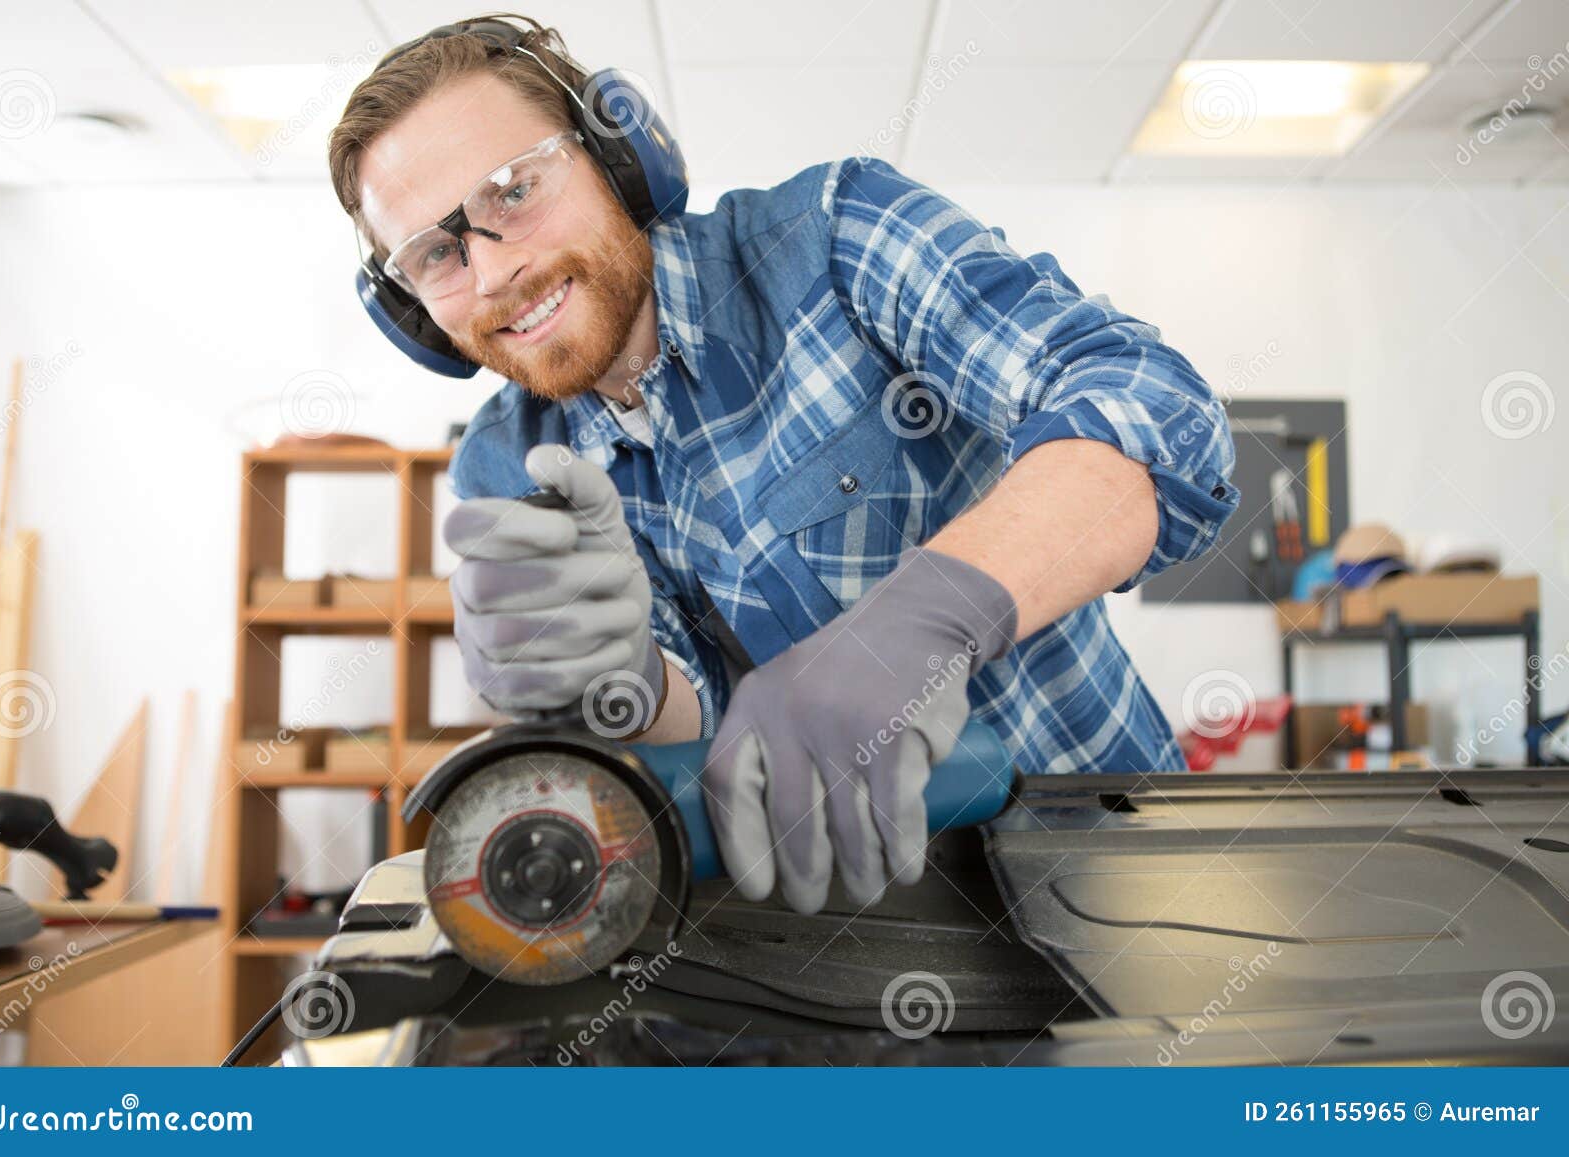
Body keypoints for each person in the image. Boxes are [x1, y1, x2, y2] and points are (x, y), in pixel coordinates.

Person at [328, 14, 1238, 916]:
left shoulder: (840, 238)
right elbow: (696, 728)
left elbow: (1151, 406)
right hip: (819, 939)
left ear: (616, 155)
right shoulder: (502, 467)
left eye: (513, 191)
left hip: (1114, 873)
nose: (492, 274)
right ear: (411, 313)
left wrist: (924, 619)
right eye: (435, 253)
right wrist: (629, 685)